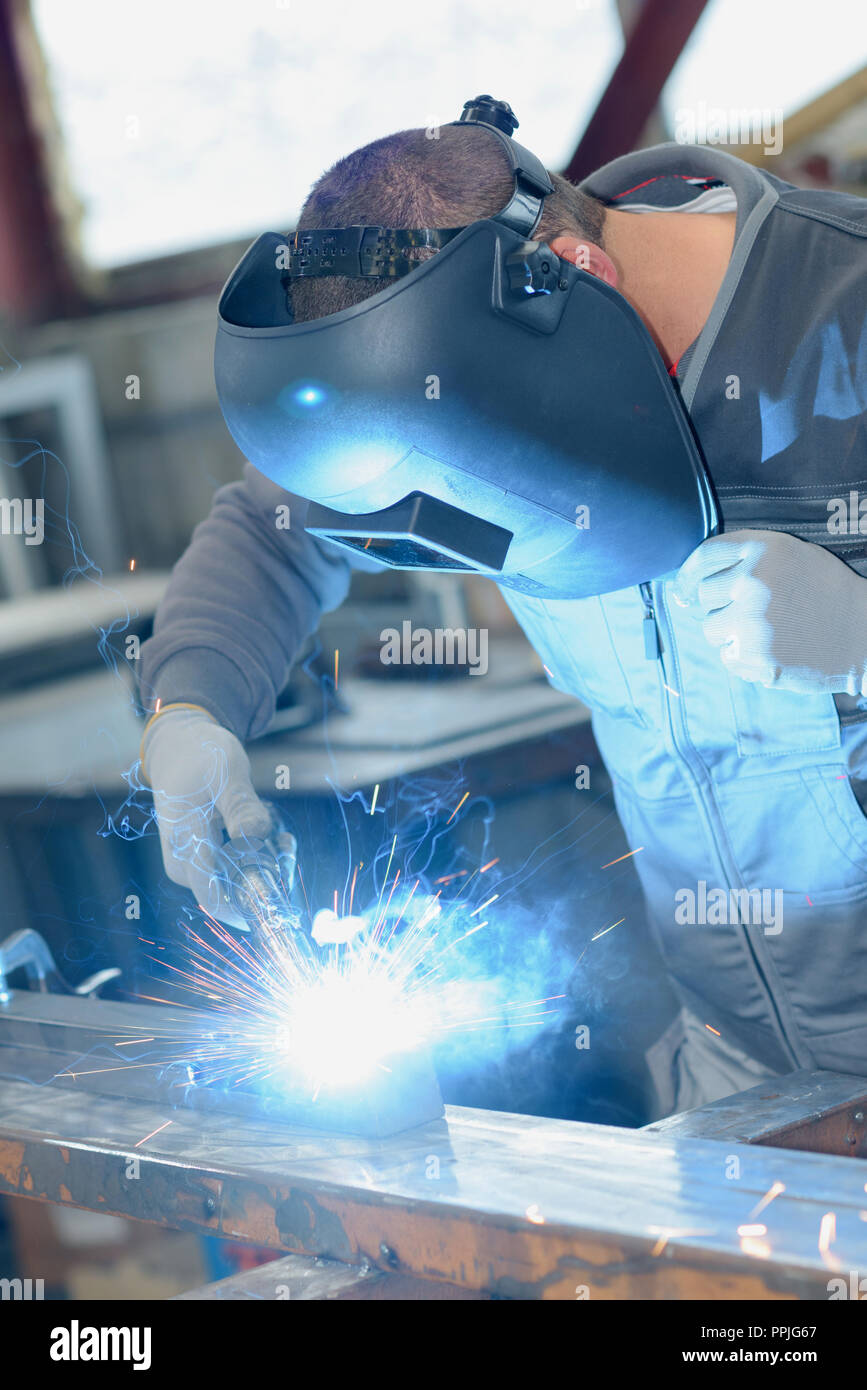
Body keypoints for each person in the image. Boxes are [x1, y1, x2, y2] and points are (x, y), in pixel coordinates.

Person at [140, 116, 867, 1114]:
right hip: (745, 1092)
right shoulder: (476, 394)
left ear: (577, 282)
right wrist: (191, 707)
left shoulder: (848, 313)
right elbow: (276, 527)